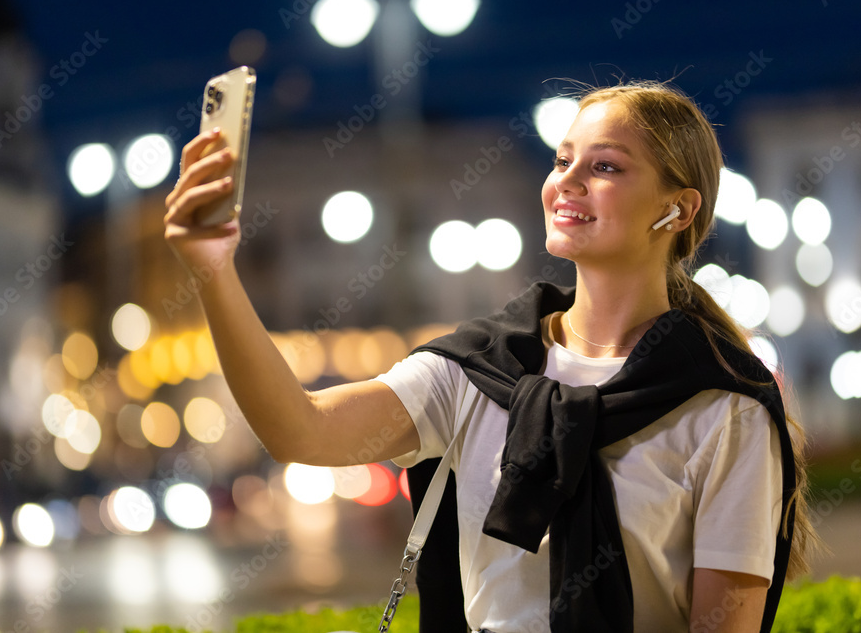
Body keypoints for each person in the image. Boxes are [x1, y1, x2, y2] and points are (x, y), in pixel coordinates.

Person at [164, 79, 817, 632]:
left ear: (677, 209)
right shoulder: (481, 369)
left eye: (605, 166)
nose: (568, 183)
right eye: (562, 161)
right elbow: (298, 426)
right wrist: (213, 272)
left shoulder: (725, 407)